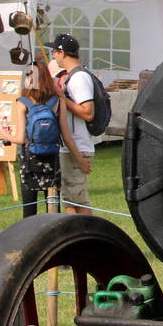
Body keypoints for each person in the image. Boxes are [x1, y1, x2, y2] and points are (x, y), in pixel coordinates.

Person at [0, 62, 82, 219]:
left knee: (29, 210)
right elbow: (66, 135)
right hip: (52, 159)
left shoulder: (23, 101)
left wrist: (5, 136)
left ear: (29, 78)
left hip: (30, 160)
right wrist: (80, 159)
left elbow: (20, 138)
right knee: (53, 209)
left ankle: (29, 240)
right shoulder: (57, 100)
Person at [50, 33, 95, 215]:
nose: (53, 56)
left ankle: (85, 239)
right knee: (72, 200)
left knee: (77, 201)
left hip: (77, 145)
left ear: (61, 52)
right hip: (71, 146)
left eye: (54, 51)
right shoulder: (71, 76)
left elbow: (88, 112)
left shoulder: (79, 78)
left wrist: (62, 98)